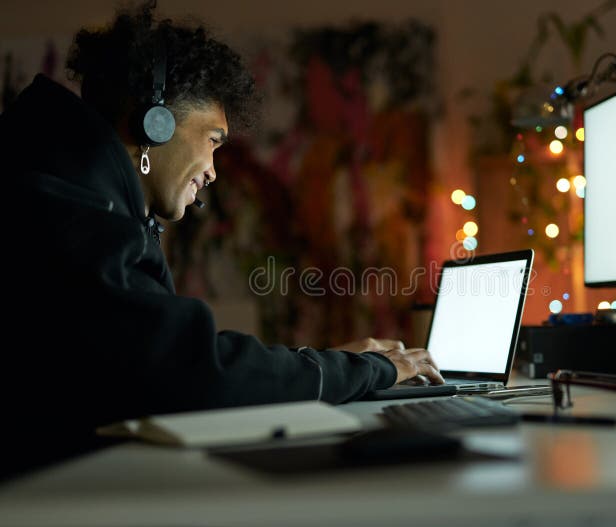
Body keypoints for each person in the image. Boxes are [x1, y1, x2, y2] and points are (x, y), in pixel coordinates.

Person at [0, 3, 442, 475]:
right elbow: (192, 374)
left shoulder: (70, 195)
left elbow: (171, 351)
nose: (212, 171)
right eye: (213, 140)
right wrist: (370, 369)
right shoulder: (69, 214)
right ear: (156, 122)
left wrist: (322, 364)